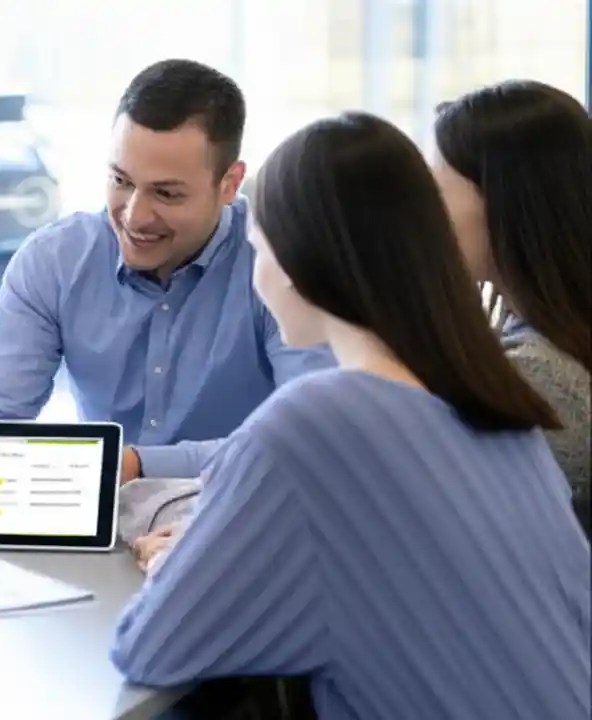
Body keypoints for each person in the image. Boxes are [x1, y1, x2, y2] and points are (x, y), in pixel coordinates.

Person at [111, 112, 590, 719]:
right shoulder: (499, 406)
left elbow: (151, 648)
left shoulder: (311, 423)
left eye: (258, 250)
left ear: (293, 259)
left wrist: (190, 569)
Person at [0, 59, 333, 545]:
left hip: (242, 529)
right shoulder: (55, 261)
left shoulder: (277, 265)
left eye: (166, 194)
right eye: (121, 181)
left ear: (229, 184)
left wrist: (131, 465)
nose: (135, 215)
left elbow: (308, 444)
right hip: (102, 538)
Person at [431, 79, 591, 533]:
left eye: (437, 190)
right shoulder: (544, 346)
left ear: (504, 203)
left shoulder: (540, 382)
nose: (425, 214)